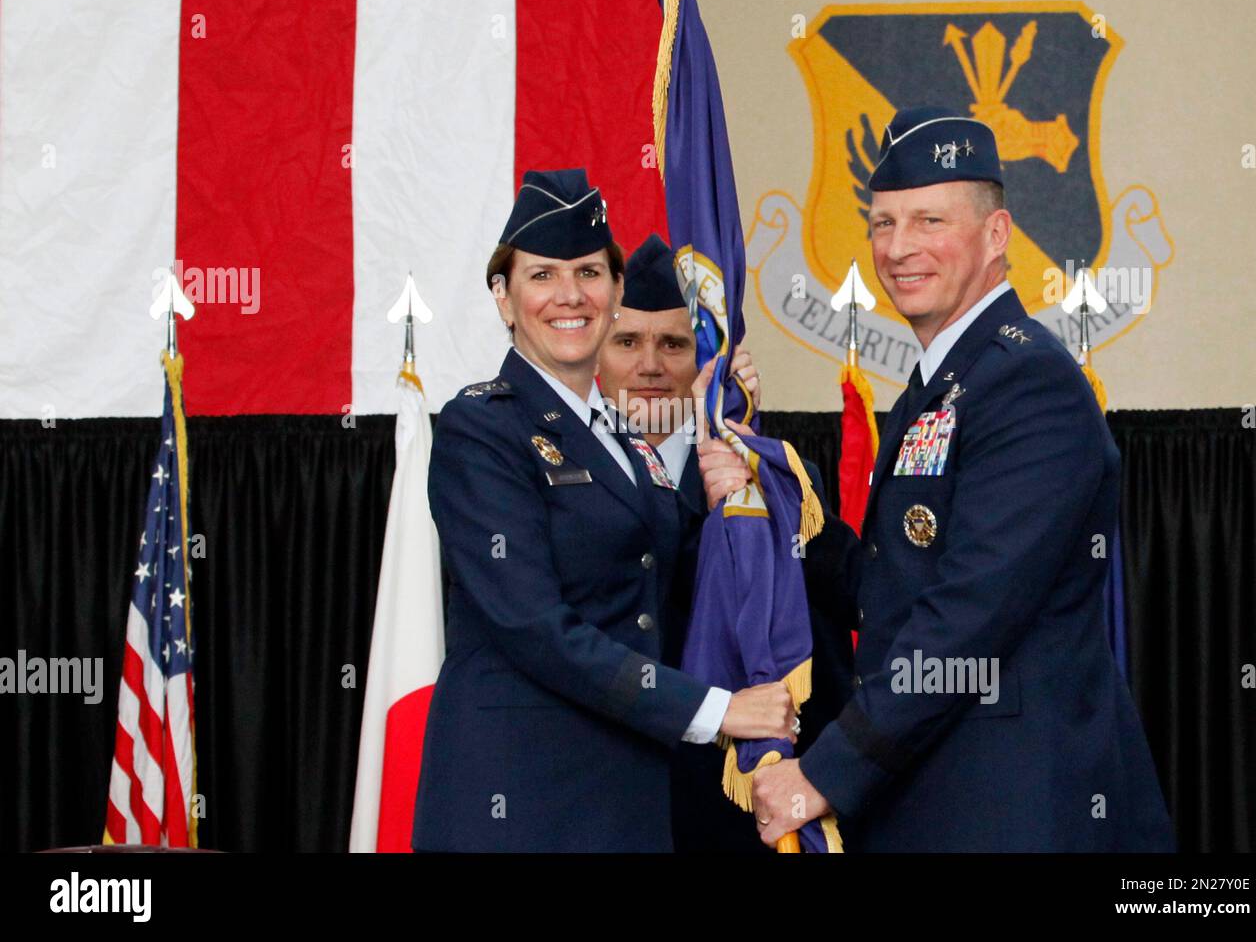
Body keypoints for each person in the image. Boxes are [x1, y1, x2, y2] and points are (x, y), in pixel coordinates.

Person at [701, 108, 1175, 851]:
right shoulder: (943, 380)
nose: (898, 248)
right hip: (939, 794)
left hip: (1013, 808)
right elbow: (897, 585)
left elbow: (968, 619)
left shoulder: (1028, 384)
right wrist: (780, 507)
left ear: (996, 236)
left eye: (928, 221)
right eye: (883, 223)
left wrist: (825, 770)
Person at [410, 169, 796, 852]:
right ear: (503, 298)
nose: (569, 295)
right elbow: (535, 625)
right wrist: (718, 710)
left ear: (617, 294)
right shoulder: (482, 427)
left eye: (589, 272)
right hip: (520, 803)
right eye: (542, 275)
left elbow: (661, 573)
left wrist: (719, 437)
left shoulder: (618, 436)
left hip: (620, 800)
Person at [599, 234, 854, 852]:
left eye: (675, 344)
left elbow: (849, 597)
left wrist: (754, 490)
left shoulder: (777, 471)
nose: (651, 366)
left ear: (705, 361)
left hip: (768, 803)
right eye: (628, 342)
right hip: (634, 793)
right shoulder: (584, 486)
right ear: (595, 358)